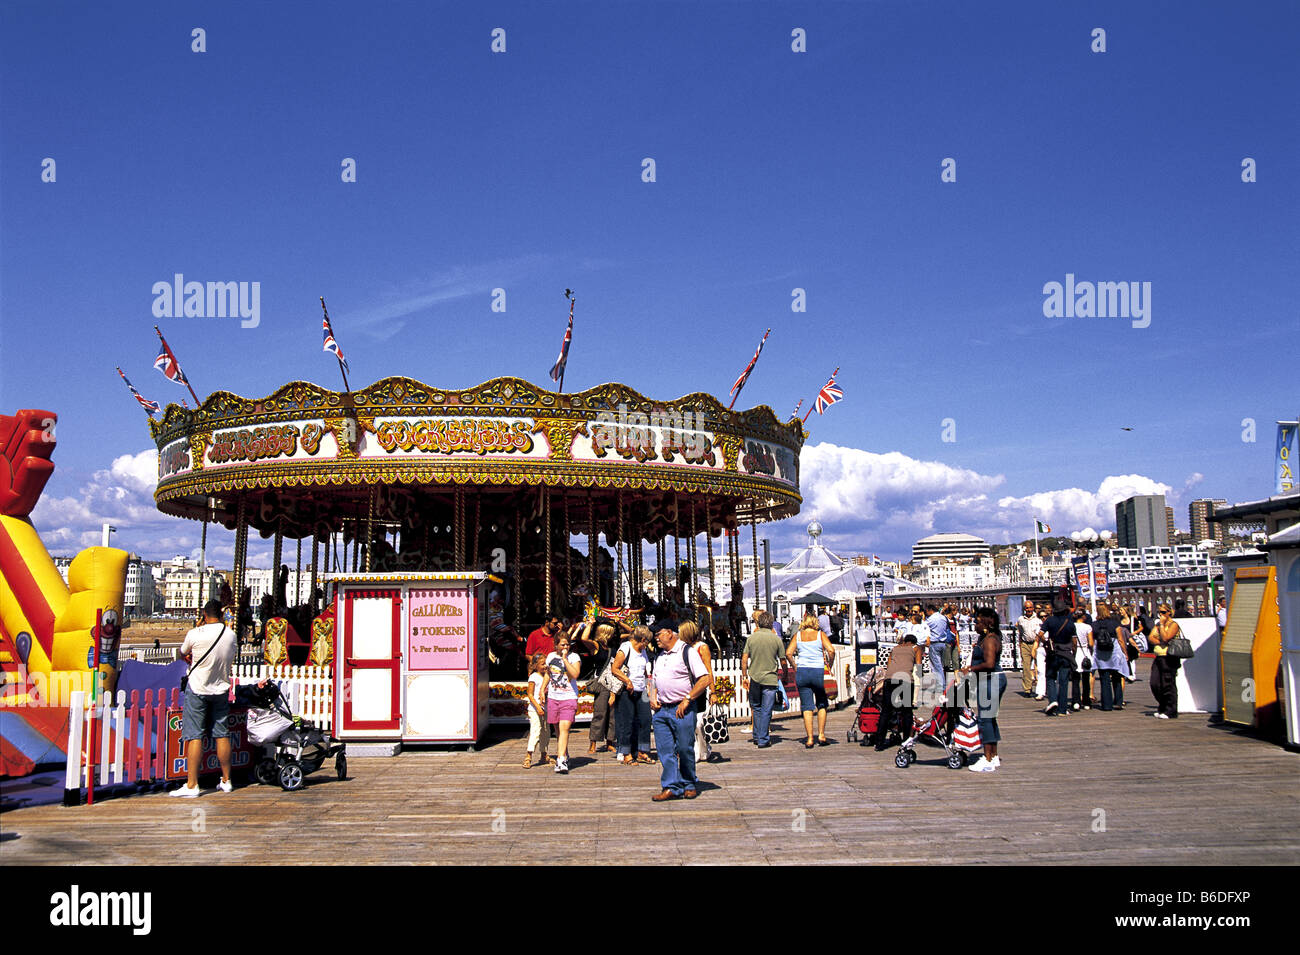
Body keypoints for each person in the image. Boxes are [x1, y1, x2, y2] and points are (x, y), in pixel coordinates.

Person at [171, 599, 238, 797]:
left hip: (198, 687)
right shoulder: (230, 634)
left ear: (204, 614)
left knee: (194, 735)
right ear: (221, 613)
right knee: (222, 733)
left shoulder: (195, 633)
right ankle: (226, 780)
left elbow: (182, 653)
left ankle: (192, 784)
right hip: (221, 688)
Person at [649, 625, 712, 801]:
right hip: (662, 710)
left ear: (670, 633)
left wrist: (688, 699)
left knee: (684, 747)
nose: (656, 637)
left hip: (681, 708)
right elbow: (653, 680)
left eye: (658, 634)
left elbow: (704, 678)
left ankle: (689, 783)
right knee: (665, 750)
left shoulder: (687, 652)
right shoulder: (659, 656)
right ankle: (671, 786)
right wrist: (652, 696)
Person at [961, 608, 1007, 772]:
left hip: (991, 680)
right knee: (990, 718)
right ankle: (993, 756)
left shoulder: (989, 640)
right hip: (993, 679)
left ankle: (987, 759)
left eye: (978, 622)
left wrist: (971, 669)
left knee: (985, 718)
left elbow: (989, 664)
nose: (975, 624)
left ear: (987, 623)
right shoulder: (988, 638)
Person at [787, 613, 835, 748]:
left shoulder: (798, 636)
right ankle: (821, 735)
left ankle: (809, 738)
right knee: (821, 703)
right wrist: (829, 666)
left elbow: (788, 653)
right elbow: (831, 650)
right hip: (818, 671)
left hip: (803, 671)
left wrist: (794, 665)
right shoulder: (820, 635)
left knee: (807, 706)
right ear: (815, 622)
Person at [611, 626, 654, 764]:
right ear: (642, 639)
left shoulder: (643, 651)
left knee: (646, 719)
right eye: (646, 641)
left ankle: (642, 750)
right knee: (626, 721)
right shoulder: (626, 648)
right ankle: (626, 752)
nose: (647, 644)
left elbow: (647, 671)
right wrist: (627, 680)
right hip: (627, 690)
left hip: (642, 690)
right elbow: (615, 668)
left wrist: (651, 692)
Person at [678, 620, 718, 763]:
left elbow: (708, 670)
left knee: (698, 722)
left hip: (699, 688)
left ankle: (703, 747)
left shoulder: (702, 647)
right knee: (688, 721)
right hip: (684, 688)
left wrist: (713, 692)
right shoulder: (681, 648)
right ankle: (695, 748)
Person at [742, 611, 783, 748]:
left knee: (756, 707)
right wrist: (786, 675)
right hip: (770, 678)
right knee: (767, 709)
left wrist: (744, 675)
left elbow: (744, 659)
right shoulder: (776, 639)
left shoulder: (751, 639)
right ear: (771, 623)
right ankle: (763, 738)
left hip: (755, 676)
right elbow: (782, 659)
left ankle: (756, 735)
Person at [584, 619, 626, 754]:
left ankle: (610, 741)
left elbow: (632, 633)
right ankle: (593, 742)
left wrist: (620, 623)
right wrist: (589, 624)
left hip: (614, 682)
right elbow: (584, 638)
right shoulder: (596, 646)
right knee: (600, 712)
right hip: (602, 682)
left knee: (613, 714)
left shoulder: (614, 647)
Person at [876, 634, 921, 750]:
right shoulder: (916, 648)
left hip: (890, 679)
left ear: (905, 641)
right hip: (906, 680)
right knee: (907, 711)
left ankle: (879, 743)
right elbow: (919, 665)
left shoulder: (895, 648)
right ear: (914, 642)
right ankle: (906, 740)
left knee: (886, 711)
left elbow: (889, 664)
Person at [545, 633, 582, 772]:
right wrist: (543, 689)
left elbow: (575, 674)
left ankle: (560, 760)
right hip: (554, 697)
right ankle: (565, 755)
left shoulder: (574, 657)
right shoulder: (550, 656)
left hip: (569, 697)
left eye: (567, 644)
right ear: (556, 645)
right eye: (562, 645)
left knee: (565, 728)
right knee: (558, 730)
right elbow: (548, 674)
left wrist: (565, 659)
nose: (565, 647)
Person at [1039, 599, 1076, 716]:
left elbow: (1040, 634)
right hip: (1066, 653)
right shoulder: (1070, 623)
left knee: (1050, 677)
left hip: (1053, 652)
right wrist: (1073, 652)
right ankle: (1062, 709)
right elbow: (1074, 641)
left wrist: (1046, 643)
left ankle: (1053, 700)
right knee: (1064, 681)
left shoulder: (1049, 621)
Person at [1093, 603, 1130, 712]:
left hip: (1100, 653)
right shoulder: (1115, 624)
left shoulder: (1094, 625)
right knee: (1117, 677)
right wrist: (1125, 653)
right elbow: (1120, 640)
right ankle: (1118, 701)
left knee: (1104, 679)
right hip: (1114, 652)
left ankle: (1106, 705)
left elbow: (1091, 640)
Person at [1148, 604, 1182, 719]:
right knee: (1155, 683)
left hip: (1169, 657)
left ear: (1169, 612)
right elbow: (1151, 637)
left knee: (1168, 684)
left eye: (1163, 612)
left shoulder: (1173, 625)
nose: (1161, 615)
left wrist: (1162, 625)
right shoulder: (1157, 625)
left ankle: (1170, 710)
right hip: (1159, 656)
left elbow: (1167, 637)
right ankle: (1162, 706)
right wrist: (1160, 641)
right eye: (1159, 612)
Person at [523, 652, 548, 768]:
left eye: (546, 664)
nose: (545, 666)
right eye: (542, 664)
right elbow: (530, 694)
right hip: (535, 708)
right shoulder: (534, 677)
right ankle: (529, 755)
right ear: (536, 666)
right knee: (536, 731)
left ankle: (544, 754)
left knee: (545, 732)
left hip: (546, 707)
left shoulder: (548, 676)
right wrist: (538, 707)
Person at [1015, 602, 1041, 696]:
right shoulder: (1021, 619)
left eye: (1030, 608)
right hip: (1025, 644)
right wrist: (1020, 645)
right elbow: (1020, 633)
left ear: (1033, 608)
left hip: (1036, 643)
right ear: (1024, 609)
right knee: (1026, 667)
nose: (1029, 610)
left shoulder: (1038, 619)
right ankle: (1027, 689)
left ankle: (1040, 689)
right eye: (1027, 608)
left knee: (1040, 666)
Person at [1070, 609, 1094, 710]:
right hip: (1085, 652)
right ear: (1083, 616)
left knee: (1075, 679)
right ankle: (1086, 701)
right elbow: (1091, 643)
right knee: (1085, 678)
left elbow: (1073, 641)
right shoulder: (1088, 627)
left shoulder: (1072, 626)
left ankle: (1076, 701)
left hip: (1075, 653)